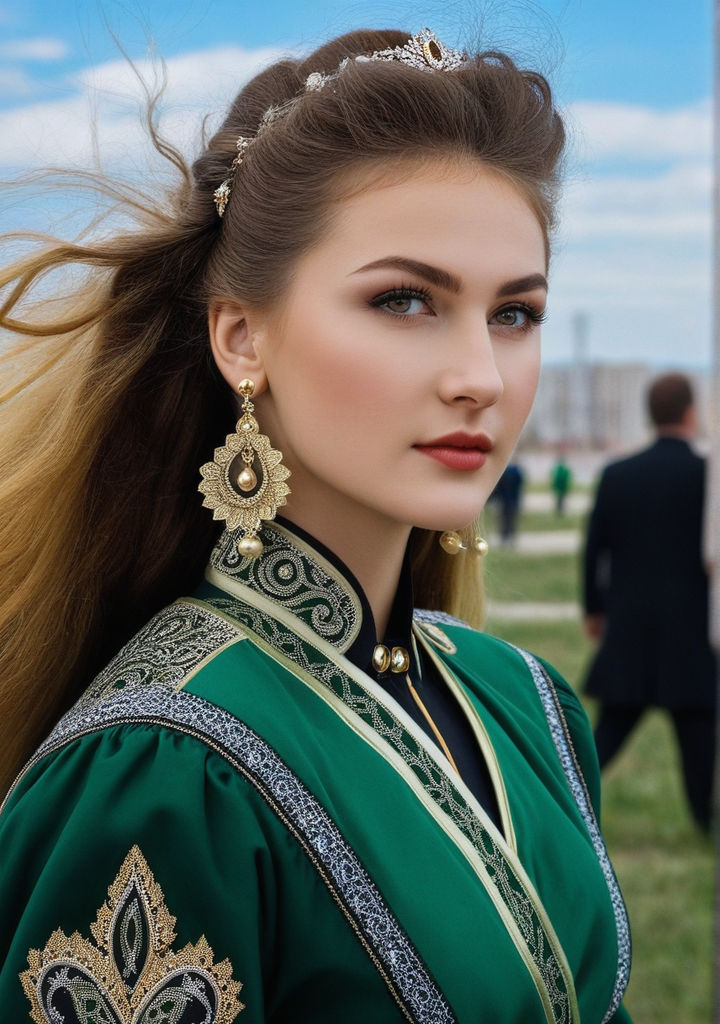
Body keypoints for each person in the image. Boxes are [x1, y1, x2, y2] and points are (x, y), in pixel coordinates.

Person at [0, 28, 633, 1023]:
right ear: (241, 336)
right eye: (404, 299)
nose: (480, 376)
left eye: (514, 313)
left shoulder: (527, 703)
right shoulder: (163, 769)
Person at [583, 371, 716, 833]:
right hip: (692, 628)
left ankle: (571, 805)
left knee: (609, 732)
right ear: (690, 412)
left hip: (631, 625)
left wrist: (593, 608)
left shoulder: (618, 475)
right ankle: (704, 823)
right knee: (700, 738)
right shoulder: (707, 477)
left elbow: (593, 547)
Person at [489, 461, 525, 544]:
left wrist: (492, 499)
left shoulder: (503, 472)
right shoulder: (517, 471)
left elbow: (498, 488)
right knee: (512, 519)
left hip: (504, 500)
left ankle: (504, 537)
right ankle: (512, 537)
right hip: (513, 500)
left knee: (504, 519)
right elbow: (520, 485)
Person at [550, 449, 572, 515]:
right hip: (562, 487)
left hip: (560, 487)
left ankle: (559, 511)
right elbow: (566, 478)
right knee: (560, 500)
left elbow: (556, 478)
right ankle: (560, 511)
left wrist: (554, 485)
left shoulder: (560, 469)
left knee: (559, 500)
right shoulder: (563, 469)